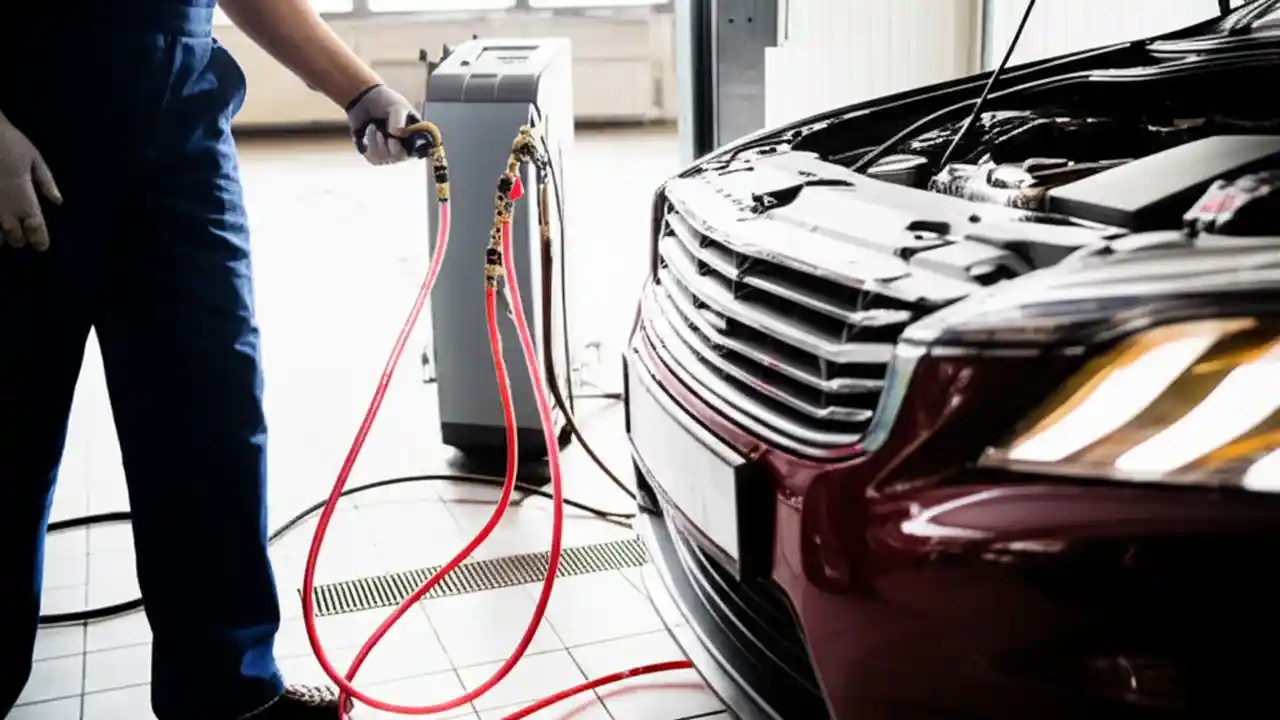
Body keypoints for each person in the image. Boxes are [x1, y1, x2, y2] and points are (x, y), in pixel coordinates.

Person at [0, 1, 424, 717]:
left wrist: (359, 89)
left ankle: (228, 693)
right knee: (10, 433)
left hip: (178, 141)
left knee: (211, 429)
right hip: (23, 129)